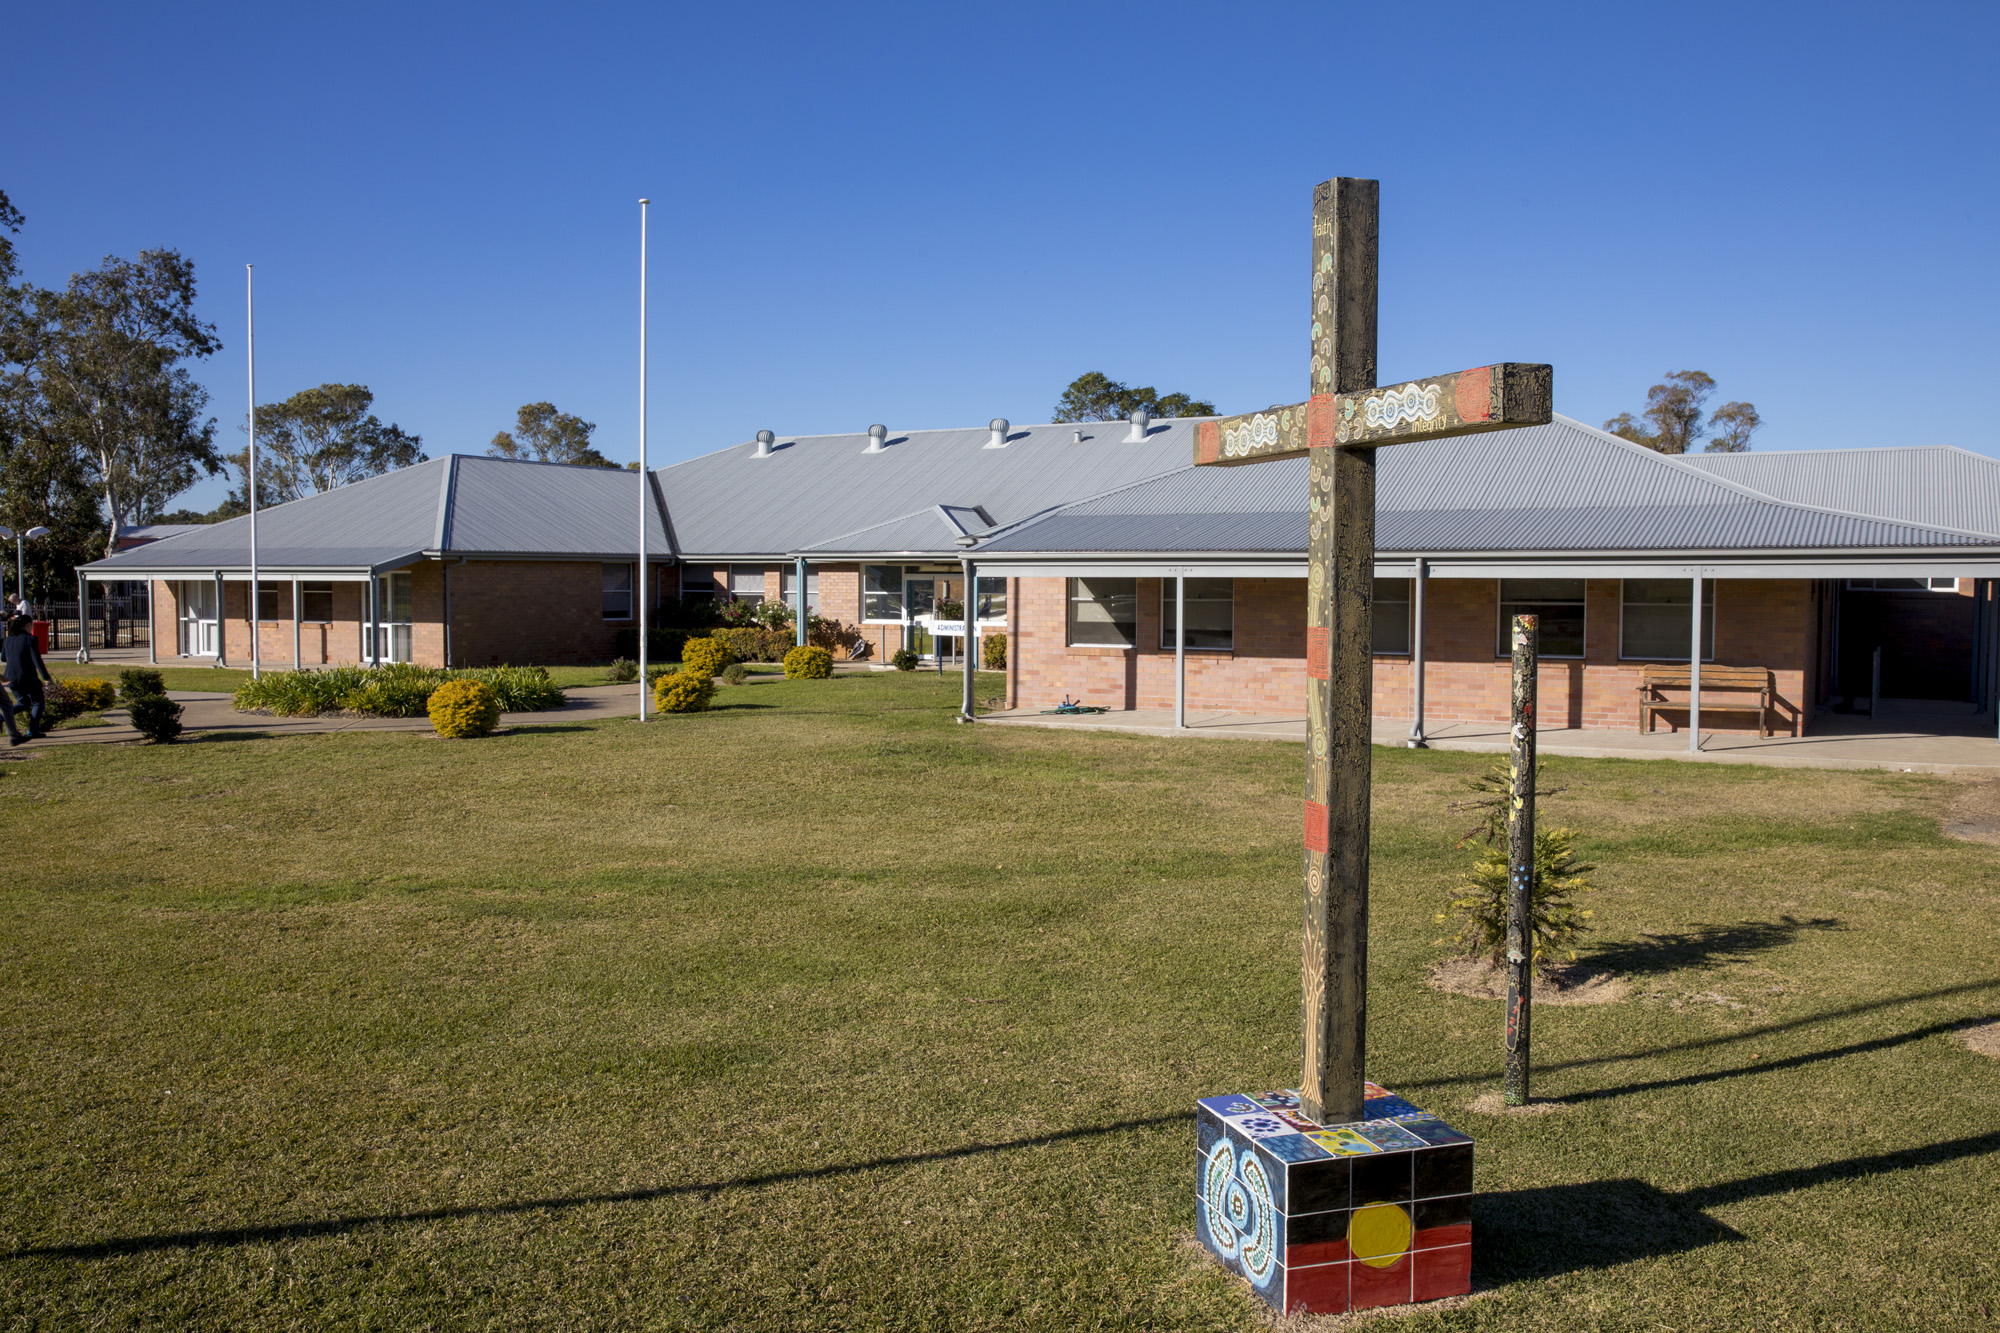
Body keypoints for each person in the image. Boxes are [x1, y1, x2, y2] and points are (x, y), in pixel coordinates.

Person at [3, 614, 52, 738]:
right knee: (38, 702)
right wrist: (46, 678)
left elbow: (3, 658)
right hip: (27, 677)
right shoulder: (30, 639)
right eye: (32, 625)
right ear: (27, 625)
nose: (32, 628)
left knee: (24, 702)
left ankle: (1, 717)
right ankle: (32, 731)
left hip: (10, 678)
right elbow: (37, 660)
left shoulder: (7, 640)